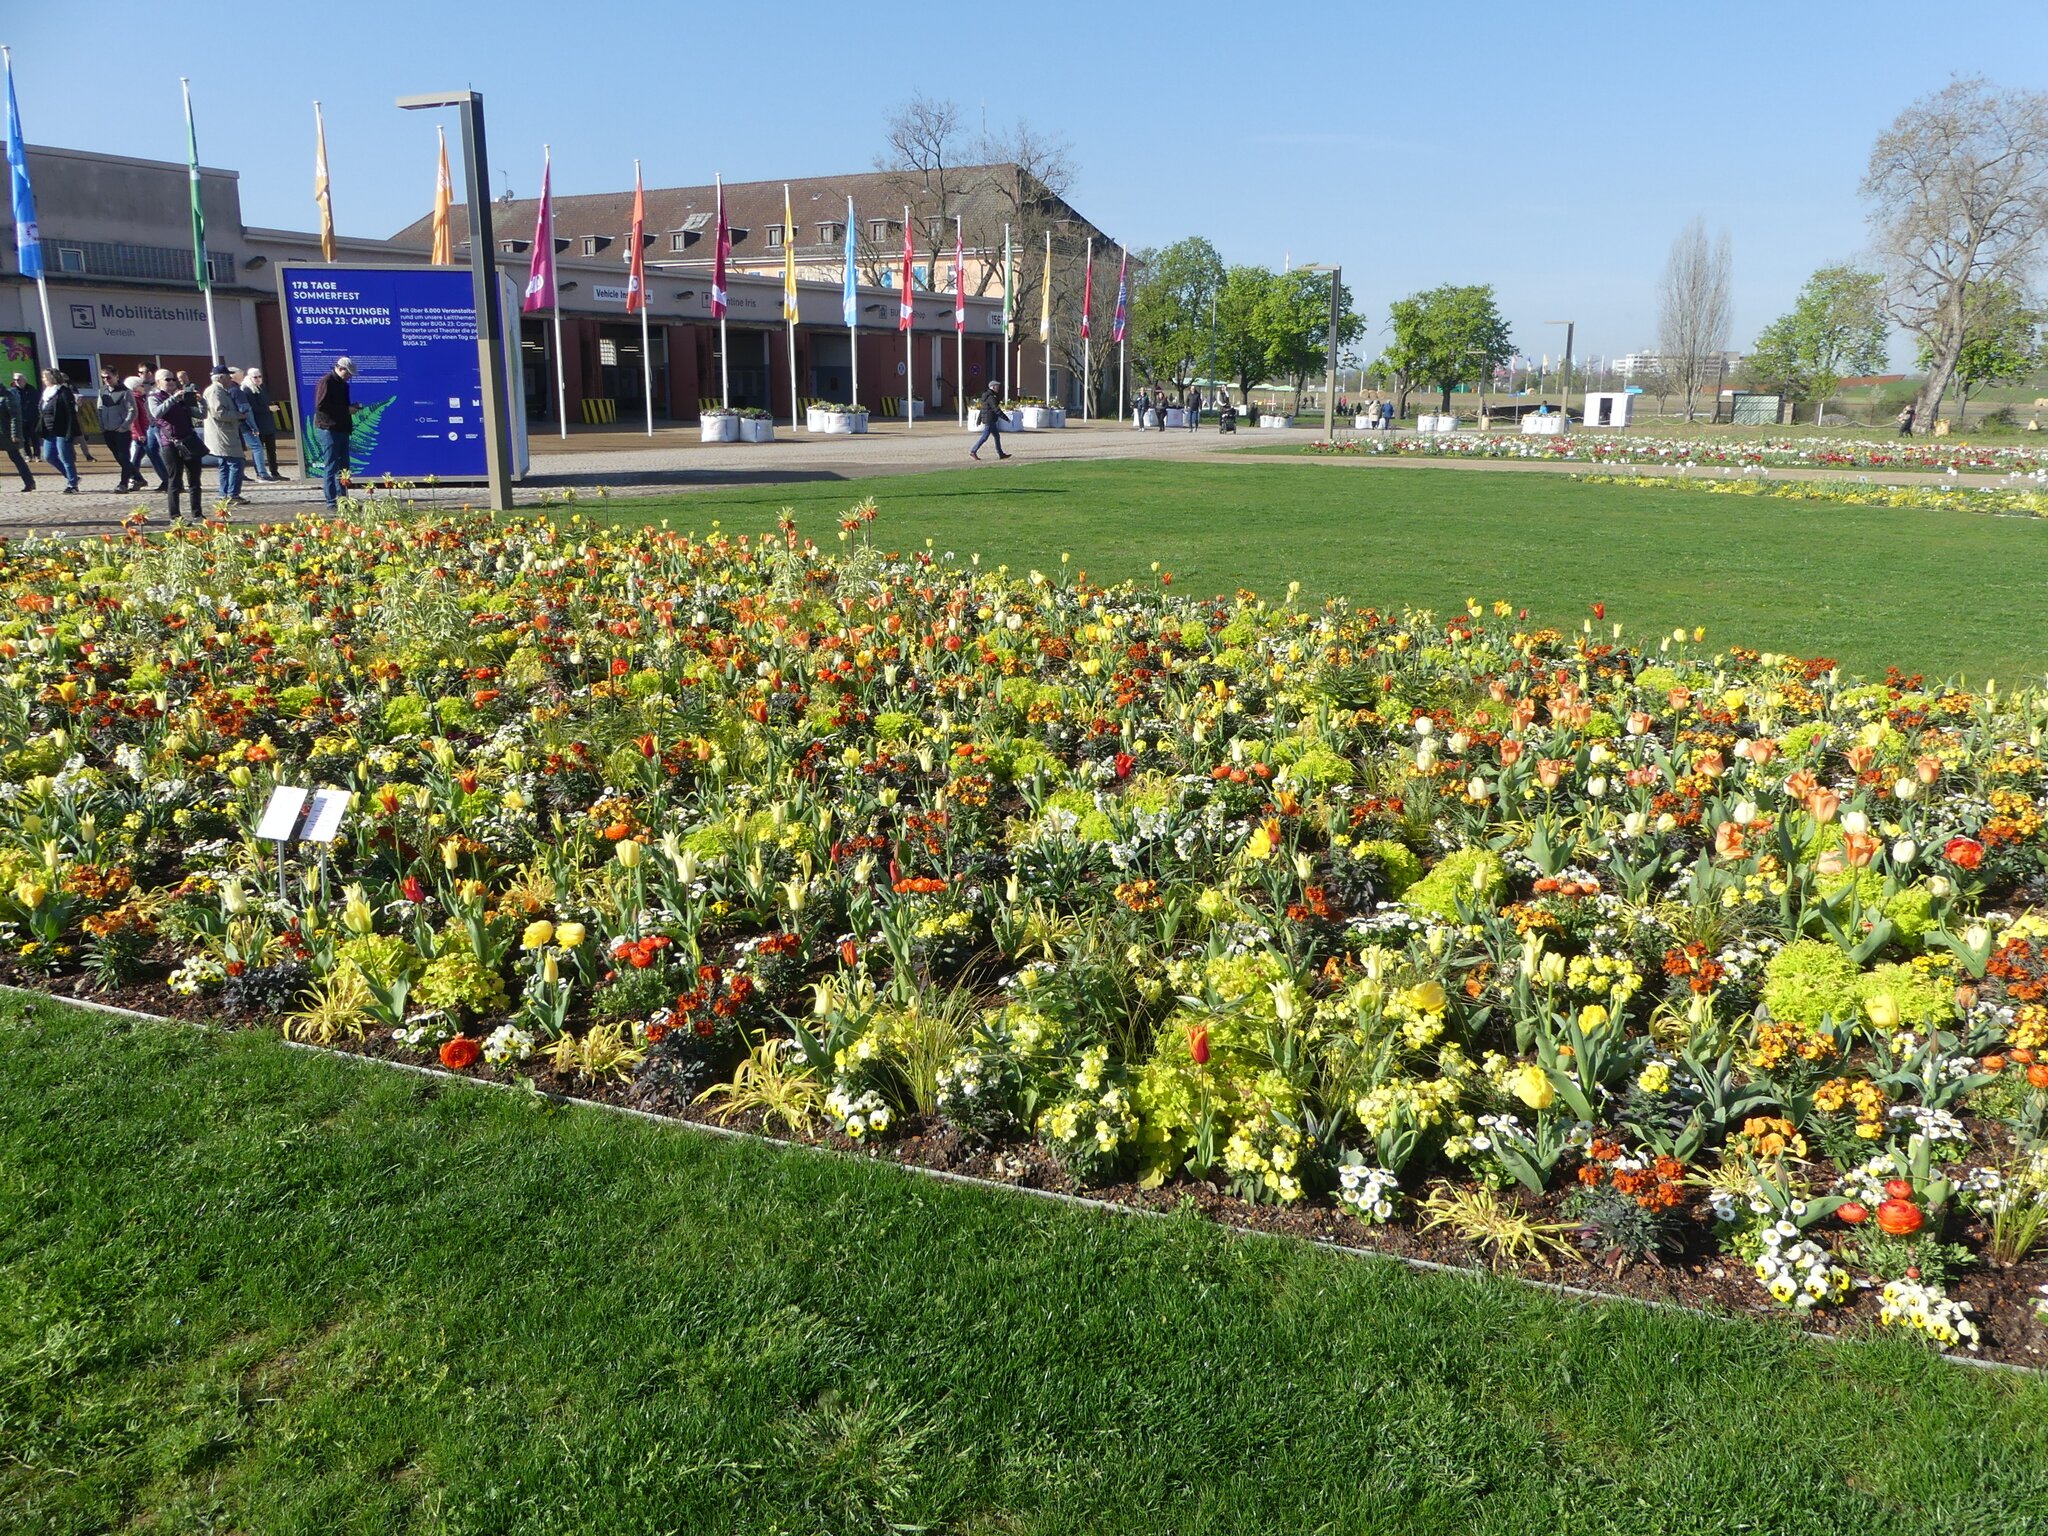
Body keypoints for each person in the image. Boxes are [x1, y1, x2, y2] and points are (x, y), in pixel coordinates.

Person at [148, 369, 205, 525]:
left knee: (195, 480)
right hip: (170, 443)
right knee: (174, 481)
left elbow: (201, 415)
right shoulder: (154, 397)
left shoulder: (182, 396)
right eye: (168, 379)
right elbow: (156, 414)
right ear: (158, 381)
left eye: (173, 379)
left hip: (189, 440)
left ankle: (197, 514)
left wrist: (200, 401)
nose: (172, 382)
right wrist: (173, 399)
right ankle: (175, 516)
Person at [313, 355, 355, 510]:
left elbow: (341, 405)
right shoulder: (326, 382)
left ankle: (344, 500)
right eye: (348, 373)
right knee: (331, 466)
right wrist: (345, 410)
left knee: (344, 467)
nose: (349, 377)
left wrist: (351, 409)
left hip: (342, 428)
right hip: (328, 428)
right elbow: (321, 406)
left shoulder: (343, 385)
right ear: (340, 368)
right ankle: (331, 502)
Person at [202, 365, 248, 505]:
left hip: (223, 433)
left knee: (225, 464)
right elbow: (219, 413)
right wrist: (239, 415)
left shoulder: (220, 390)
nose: (231, 378)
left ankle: (224, 493)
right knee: (236, 462)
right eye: (228, 376)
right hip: (222, 433)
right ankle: (232, 494)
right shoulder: (216, 391)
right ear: (221, 377)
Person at [97, 368, 140, 492]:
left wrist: (124, 426)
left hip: (121, 430)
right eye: (103, 378)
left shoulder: (125, 392)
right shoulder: (102, 391)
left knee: (124, 456)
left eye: (108, 377)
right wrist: (101, 425)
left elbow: (133, 411)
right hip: (107, 429)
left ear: (116, 376)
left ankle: (123, 483)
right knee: (119, 457)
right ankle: (138, 478)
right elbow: (99, 408)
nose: (106, 380)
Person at [37, 369, 79, 493]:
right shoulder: (46, 393)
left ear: (52, 378)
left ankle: (73, 484)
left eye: (45, 377)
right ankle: (72, 477)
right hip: (49, 430)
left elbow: (70, 413)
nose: (43, 380)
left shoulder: (63, 392)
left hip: (62, 430)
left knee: (66, 457)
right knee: (49, 456)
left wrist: (71, 432)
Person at [241, 367, 283, 479]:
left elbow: (267, 401)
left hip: (268, 423)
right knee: (258, 450)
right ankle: (260, 473)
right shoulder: (247, 390)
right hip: (258, 424)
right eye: (255, 377)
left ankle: (275, 471)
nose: (258, 379)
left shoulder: (262, 388)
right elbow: (252, 408)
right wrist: (268, 408)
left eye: (260, 376)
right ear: (250, 378)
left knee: (272, 450)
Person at [128, 374, 169, 491]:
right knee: (137, 458)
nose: (143, 387)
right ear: (135, 387)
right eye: (141, 385)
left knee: (145, 456)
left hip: (145, 431)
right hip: (141, 433)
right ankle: (138, 479)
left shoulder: (142, 398)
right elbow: (135, 419)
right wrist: (140, 433)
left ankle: (139, 479)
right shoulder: (135, 399)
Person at [0, 380, 33, 490]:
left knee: (16, 458)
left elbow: (15, 417)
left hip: (7, 434)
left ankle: (29, 482)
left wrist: (15, 434)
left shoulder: (7, 397)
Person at [970, 383, 1011, 461]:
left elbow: (983, 408)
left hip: (990, 419)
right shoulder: (991, 397)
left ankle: (1001, 454)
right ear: (992, 387)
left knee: (997, 436)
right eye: (997, 386)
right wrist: (1006, 418)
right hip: (990, 419)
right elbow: (996, 409)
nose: (998, 388)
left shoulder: (986, 396)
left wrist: (979, 419)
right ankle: (973, 451)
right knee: (985, 437)